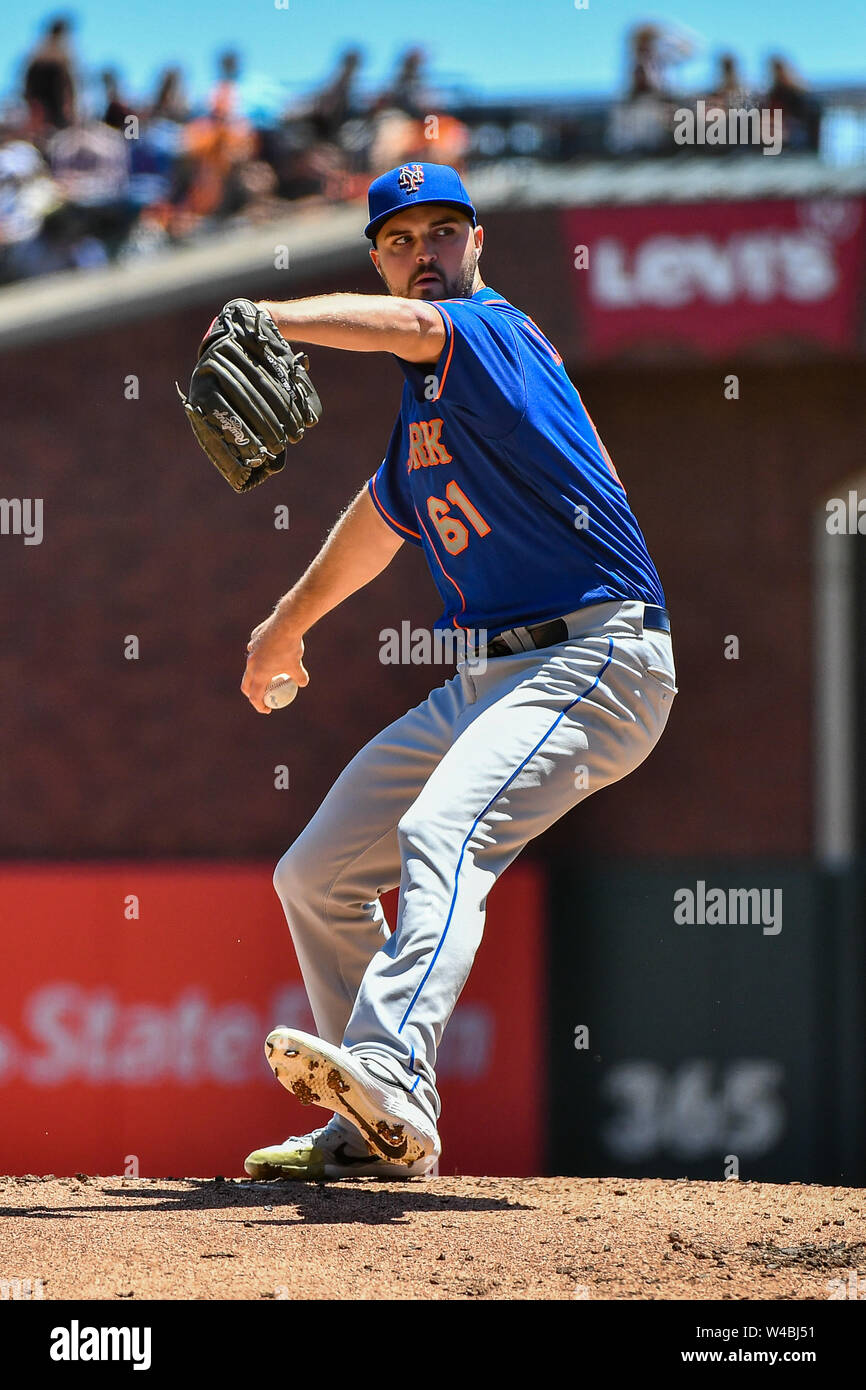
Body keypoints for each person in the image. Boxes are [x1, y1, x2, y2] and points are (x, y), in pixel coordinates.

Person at [240, 162, 677, 1181]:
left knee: (442, 829)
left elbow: (411, 332)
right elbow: (379, 517)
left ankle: (391, 1066)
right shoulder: (423, 407)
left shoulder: (492, 332)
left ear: (474, 245)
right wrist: (284, 622)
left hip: (597, 655)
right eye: (398, 240)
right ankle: (373, 1126)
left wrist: (267, 315)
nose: (421, 253)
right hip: (490, 676)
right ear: (376, 259)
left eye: (441, 232)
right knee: (314, 873)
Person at [23, 15, 76, 131]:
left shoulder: (39, 47)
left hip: (46, 90)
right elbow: (66, 78)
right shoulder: (53, 49)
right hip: (48, 88)